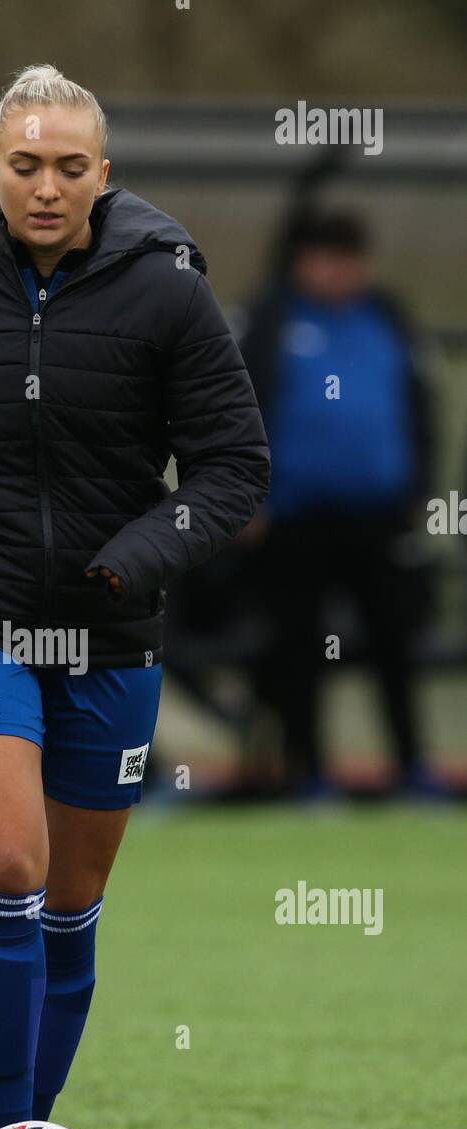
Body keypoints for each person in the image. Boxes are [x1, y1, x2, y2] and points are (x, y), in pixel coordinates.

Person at [0, 64, 270, 1129]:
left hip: (107, 629)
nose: (44, 185)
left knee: (69, 908)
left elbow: (233, 466)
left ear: (100, 175)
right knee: (7, 864)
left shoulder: (167, 293)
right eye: (23, 165)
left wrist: (139, 552)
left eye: (68, 167)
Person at [240, 207, 437, 796]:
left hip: (380, 517)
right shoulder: (270, 320)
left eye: (350, 259)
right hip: (296, 517)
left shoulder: (388, 318)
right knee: (298, 647)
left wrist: (419, 490)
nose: (339, 272)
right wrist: (248, 498)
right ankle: (310, 773)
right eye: (327, 258)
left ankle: (411, 769)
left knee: (395, 644)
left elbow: (420, 408)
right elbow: (238, 414)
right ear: (302, 261)